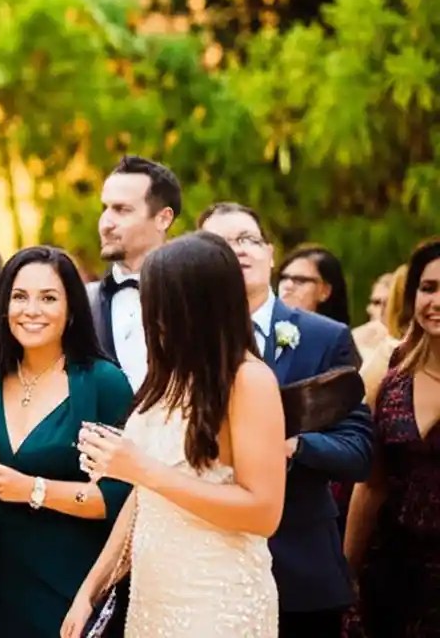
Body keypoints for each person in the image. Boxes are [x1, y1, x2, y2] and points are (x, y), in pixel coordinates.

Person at [66, 231, 287, 638]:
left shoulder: (249, 380)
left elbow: (264, 512)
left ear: (197, 307)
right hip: (154, 598)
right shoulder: (169, 379)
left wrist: (142, 469)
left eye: (160, 304)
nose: (151, 317)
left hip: (217, 600)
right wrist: (91, 589)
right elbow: (144, 499)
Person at [198, 203, 369, 635]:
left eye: (248, 239)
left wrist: (290, 445)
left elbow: (358, 451)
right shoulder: (185, 343)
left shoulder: (323, 337)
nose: (239, 250)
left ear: (271, 254)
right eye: (221, 244)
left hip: (299, 568)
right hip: (206, 567)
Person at [0, 247, 133, 637]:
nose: (31, 310)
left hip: (64, 588)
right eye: (19, 296)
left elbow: (122, 499)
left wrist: (33, 490)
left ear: (72, 310)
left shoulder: (103, 383)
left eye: (48, 298)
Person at [344, 238, 440, 637]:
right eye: (428, 288)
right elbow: (371, 485)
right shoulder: (392, 376)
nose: (436, 301)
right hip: (392, 577)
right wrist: (346, 572)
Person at [87, 155, 182, 390]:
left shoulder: (195, 296)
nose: (105, 224)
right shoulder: (83, 301)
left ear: (163, 219)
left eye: (121, 210)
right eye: (105, 209)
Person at [277, 245, 352, 326]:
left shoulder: (337, 333)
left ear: (325, 291)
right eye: (283, 278)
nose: (287, 286)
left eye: (300, 280)